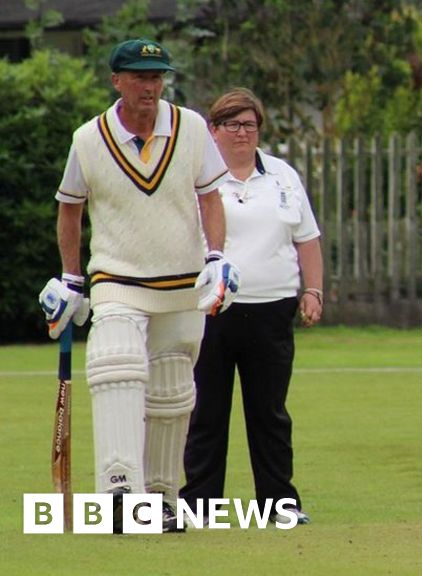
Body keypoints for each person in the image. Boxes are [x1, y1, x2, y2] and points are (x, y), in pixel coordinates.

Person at [39, 38, 238, 533]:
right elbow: (70, 208)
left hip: (182, 281)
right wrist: (72, 276)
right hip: (117, 277)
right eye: (140, 77)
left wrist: (216, 257)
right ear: (117, 81)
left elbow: (210, 198)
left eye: (157, 77)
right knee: (117, 367)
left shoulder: (191, 127)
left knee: (172, 391)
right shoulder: (88, 139)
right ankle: (120, 494)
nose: (151, 87)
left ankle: (161, 497)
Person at [180, 88, 322, 526]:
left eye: (250, 125)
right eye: (232, 125)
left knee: (270, 413)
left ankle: (278, 503)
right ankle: (200, 504)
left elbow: (307, 238)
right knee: (207, 411)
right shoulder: (197, 177)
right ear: (213, 129)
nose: (242, 133)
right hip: (211, 311)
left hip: (272, 308)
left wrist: (314, 291)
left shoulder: (282, 175)